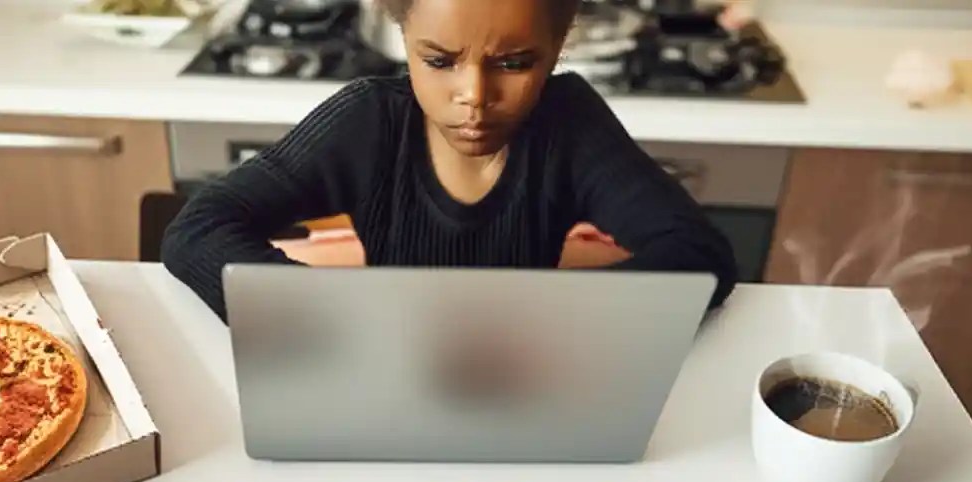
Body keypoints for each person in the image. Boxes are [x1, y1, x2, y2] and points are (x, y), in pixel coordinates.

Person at [162, 0, 738, 322]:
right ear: (403, 37)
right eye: (438, 62)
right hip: (379, 374)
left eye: (513, 63)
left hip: (530, 381)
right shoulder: (368, 122)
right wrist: (324, 317)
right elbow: (199, 229)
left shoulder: (571, 125)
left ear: (559, 45)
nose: (475, 97)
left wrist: (554, 326)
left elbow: (699, 254)